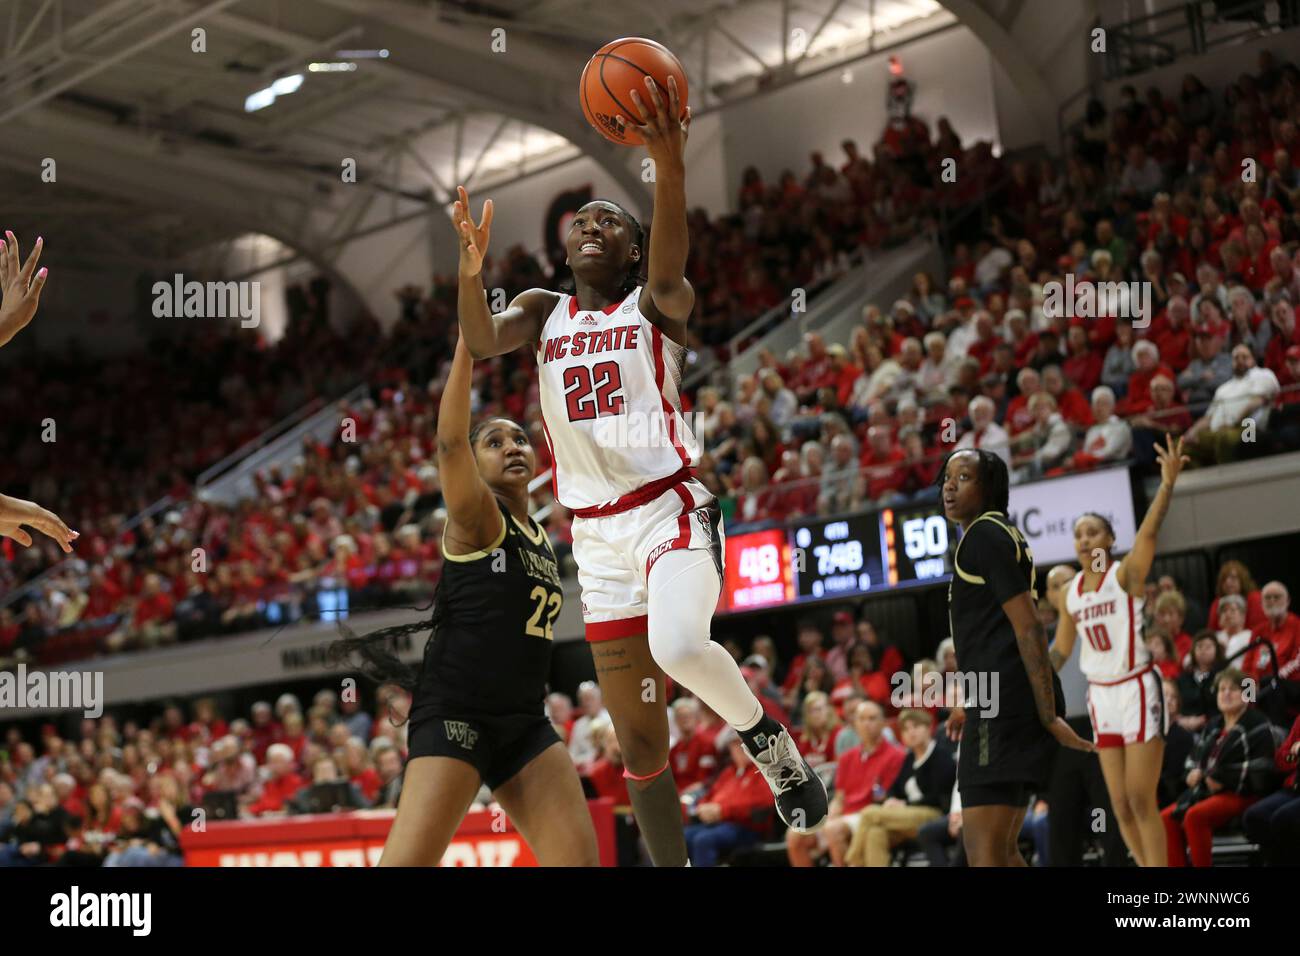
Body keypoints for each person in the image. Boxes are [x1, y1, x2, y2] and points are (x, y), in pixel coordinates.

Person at [451, 76, 826, 866]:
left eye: (610, 223)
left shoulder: (655, 304)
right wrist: (468, 265)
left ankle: (767, 739)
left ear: (630, 249)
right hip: (594, 538)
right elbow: (481, 341)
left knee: (681, 647)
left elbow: (669, 261)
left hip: (667, 510)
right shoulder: (544, 309)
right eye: (581, 221)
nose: (591, 227)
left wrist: (669, 164)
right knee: (639, 744)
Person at [328, 336, 598, 866]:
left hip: (523, 722)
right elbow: (449, 445)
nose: (514, 447)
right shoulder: (479, 517)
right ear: (473, 467)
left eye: (519, 439)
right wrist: (468, 344)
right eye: (494, 442)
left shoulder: (541, 535)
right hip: (458, 714)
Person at [940, 449, 1092, 866]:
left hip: (1002, 709)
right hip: (997, 703)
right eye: (947, 477)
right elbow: (998, 635)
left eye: (964, 477)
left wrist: (1048, 713)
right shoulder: (997, 534)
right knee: (1002, 852)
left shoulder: (983, 537)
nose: (949, 486)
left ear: (988, 488)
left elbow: (1028, 626)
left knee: (985, 853)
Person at [1053, 436, 1186, 867]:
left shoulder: (1125, 575)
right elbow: (1060, 651)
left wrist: (1166, 486)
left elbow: (1149, 530)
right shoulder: (1069, 591)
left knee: (1139, 797)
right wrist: (1027, 674)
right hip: (1100, 695)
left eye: (1092, 531)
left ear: (1109, 538)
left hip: (1136, 689)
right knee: (1119, 805)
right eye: (1077, 534)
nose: (1084, 539)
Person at [1161, 669, 1279, 866]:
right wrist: (1192, 773)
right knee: (1166, 818)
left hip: (1242, 793)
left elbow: (1261, 769)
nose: (1225, 693)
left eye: (1232, 689)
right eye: (1221, 689)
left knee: (1195, 816)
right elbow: (1193, 759)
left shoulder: (1257, 723)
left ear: (1246, 694)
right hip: (1208, 791)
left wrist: (1219, 778)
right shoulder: (1214, 725)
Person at [844, 709, 956, 866]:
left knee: (869, 813)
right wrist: (891, 800)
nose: (911, 732)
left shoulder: (941, 756)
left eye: (916, 726)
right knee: (875, 833)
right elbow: (894, 789)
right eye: (906, 729)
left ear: (928, 728)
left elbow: (939, 797)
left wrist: (905, 805)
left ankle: (852, 860)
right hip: (906, 817)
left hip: (934, 813)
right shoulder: (909, 758)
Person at [682, 730, 773, 867]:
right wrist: (703, 807)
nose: (741, 748)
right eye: (736, 745)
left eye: (744, 743)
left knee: (703, 840)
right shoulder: (729, 772)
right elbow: (709, 795)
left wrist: (723, 811)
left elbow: (764, 802)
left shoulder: (761, 771)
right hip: (717, 824)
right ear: (730, 749)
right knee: (681, 837)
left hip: (746, 826)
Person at [1240, 712, 1300, 865]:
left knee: (1284, 819)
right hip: (1293, 787)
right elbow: (1281, 759)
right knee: (1254, 817)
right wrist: (1295, 757)